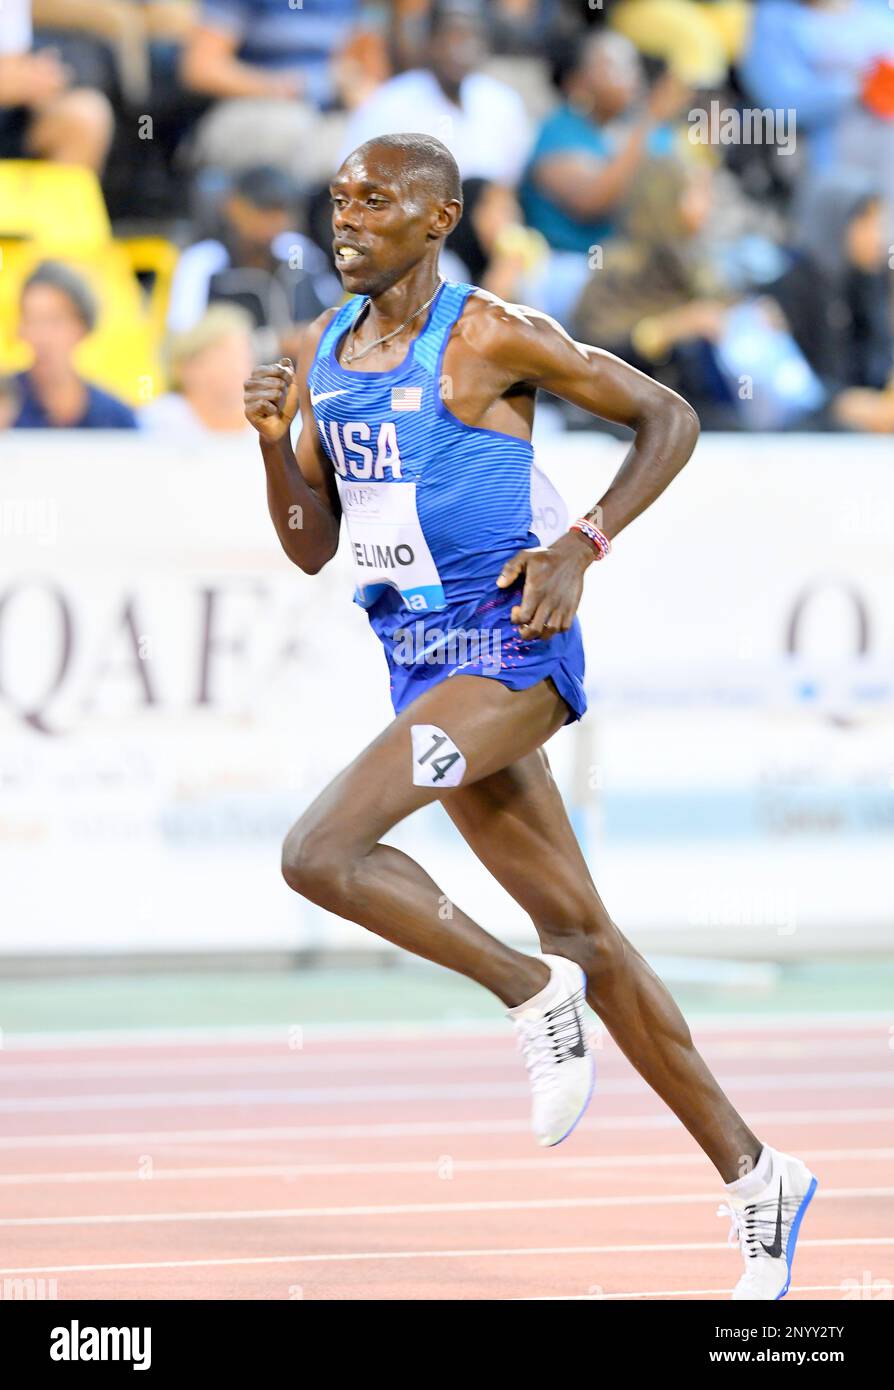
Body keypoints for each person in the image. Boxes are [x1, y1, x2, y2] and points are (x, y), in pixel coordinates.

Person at [243, 131, 818, 1301]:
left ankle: (523, 989)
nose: (345, 218)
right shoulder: (327, 351)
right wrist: (270, 447)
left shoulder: (492, 331)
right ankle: (758, 1174)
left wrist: (581, 545)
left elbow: (668, 416)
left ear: (438, 217)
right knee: (592, 939)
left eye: (373, 202)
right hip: (421, 666)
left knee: (320, 851)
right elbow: (312, 546)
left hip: (509, 650)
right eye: (337, 197)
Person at [519, 31, 689, 256]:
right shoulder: (558, 130)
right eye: (614, 67)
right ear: (580, 80)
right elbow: (591, 201)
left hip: (633, 265)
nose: (631, 76)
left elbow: (683, 206)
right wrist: (650, 119)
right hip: (568, 263)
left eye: (632, 66)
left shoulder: (649, 132)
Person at [341, 0, 531, 185]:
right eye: (452, 37)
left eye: (469, 38)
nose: (459, 50)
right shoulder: (389, 103)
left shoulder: (503, 102)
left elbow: (513, 186)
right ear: (430, 41)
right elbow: (356, 182)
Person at [166, 165, 340, 361]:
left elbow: (336, 315)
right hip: (232, 380)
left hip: (305, 379)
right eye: (263, 210)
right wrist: (274, 344)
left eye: (281, 210)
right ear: (234, 206)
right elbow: (182, 344)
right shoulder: (204, 261)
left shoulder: (297, 250)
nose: (274, 221)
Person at [12, 261, 137, 429]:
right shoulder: (6, 403)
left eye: (54, 320)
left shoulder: (114, 417)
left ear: (82, 326)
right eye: (30, 320)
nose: (41, 336)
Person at [0, 0, 113, 172]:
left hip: (11, 113)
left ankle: (53, 199)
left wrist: (37, 81)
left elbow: (13, 61)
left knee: (85, 115)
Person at [141, 305, 254, 433]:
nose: (237, 368)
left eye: (243, 357)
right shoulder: (159, 419)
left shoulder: (266, 424)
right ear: (187, 367)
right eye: (224, 358)